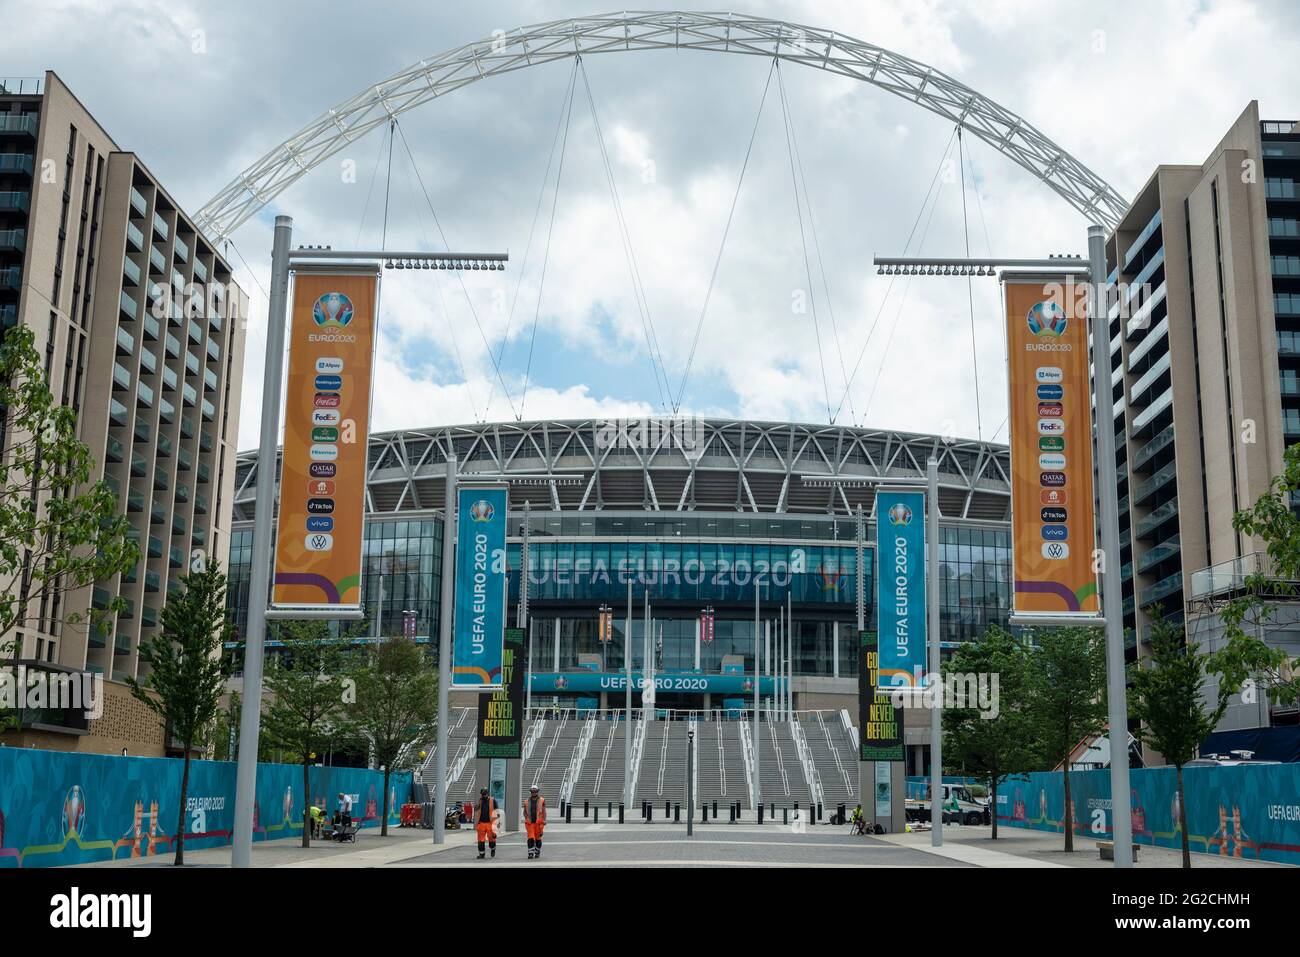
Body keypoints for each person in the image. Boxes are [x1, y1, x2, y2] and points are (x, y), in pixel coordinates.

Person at [522, 785, 547, 859]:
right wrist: (526, 817)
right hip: (530, 824)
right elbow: (524, 812)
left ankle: (537, 851)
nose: (534, 793)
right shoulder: (526, 801)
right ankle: (530, 853)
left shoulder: (542, 800)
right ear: (531, 792)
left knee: (538, 839)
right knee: (530, 838)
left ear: (537, 792)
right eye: (532, 791)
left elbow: (544, 811)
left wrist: (544, 820)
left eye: (535, 791)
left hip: (539, 824)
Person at [473, 787, 498, 859]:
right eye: (482, 794)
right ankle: (481, 854)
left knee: (492, 840)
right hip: (481, 823)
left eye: (484, 794)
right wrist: (477, 805)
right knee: (481, 840)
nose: (483, 796)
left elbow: (497, 811)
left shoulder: (493, 801)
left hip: (490, 823)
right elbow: (476, 809)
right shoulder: (480, 801)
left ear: (487, 794)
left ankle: (493, 849)